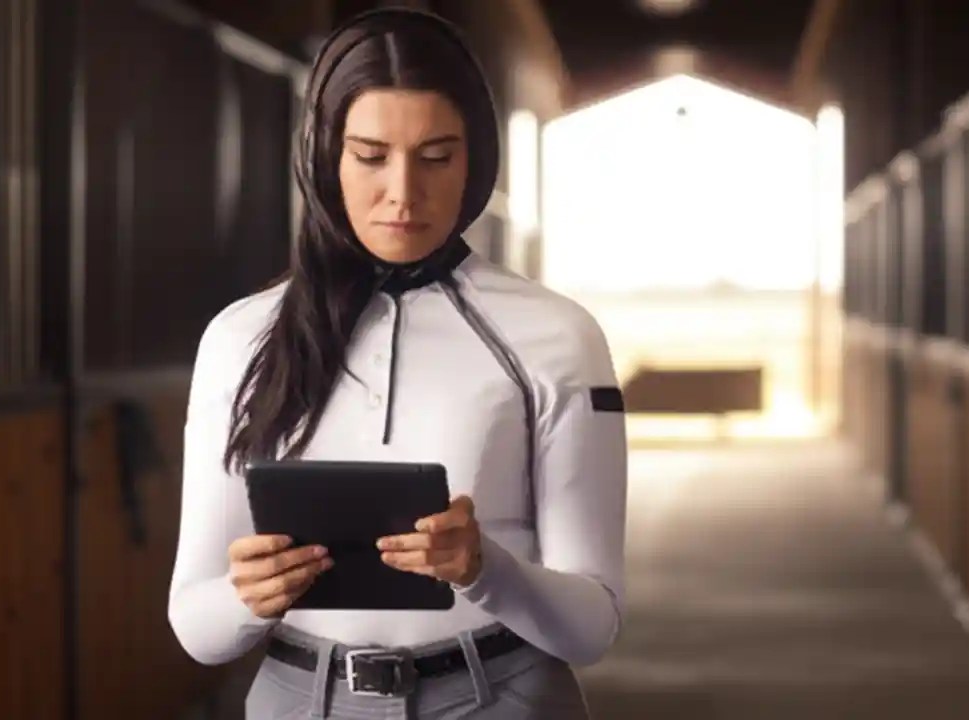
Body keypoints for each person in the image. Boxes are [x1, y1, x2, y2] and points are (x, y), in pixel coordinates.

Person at [166, 8, 628, 719]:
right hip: (299, 701)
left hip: (501, 698)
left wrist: (484, 569)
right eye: (371, 155)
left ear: (477, 161)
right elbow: (197, 629)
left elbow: (591, 626)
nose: (404, 193)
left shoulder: (557, 335)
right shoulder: (241, 338)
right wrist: (247, 599)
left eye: (437, 157)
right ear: (325, 155)